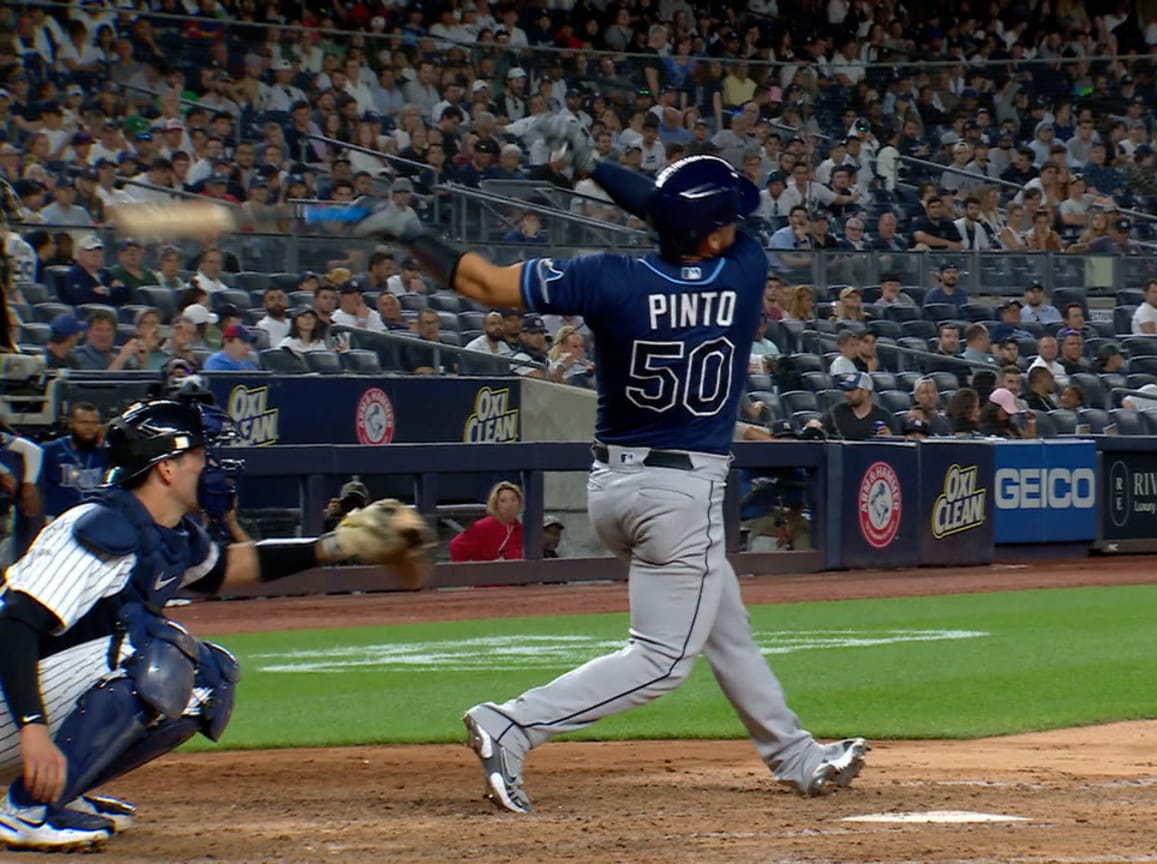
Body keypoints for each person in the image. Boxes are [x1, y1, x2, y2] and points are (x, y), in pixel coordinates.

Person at [362, 131, 867, 811]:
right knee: (660, 661)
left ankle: (798, 758)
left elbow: (480, 281)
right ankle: (511, 722)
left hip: (612, 486)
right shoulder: (745, 272)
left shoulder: (605, 277)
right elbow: (665, 209)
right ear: (710, 232)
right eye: (724, 221)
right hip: (681, 494)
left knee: (725, 623)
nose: (733, 229)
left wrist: (414, 234)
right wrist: (596, 167)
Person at [0, 401, 431, 851]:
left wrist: (335, 545)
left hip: (31, 701)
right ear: (166, 468)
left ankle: (59, 790)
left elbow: (225, 569)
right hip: (11, 702)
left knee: (209, 677)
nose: (211, 467)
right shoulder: (100, 526)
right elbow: (13, 623)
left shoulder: (167, 533)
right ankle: (28, 810)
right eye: (201, 456)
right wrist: (32, 727)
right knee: (161, 653)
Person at [38, 403, 105, 519]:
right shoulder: (50, 450)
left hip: (93, 518)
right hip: (58, 517)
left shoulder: (104, 452)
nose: (90, 428)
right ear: (71, 424)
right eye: (83, 422)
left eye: (94, 423)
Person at [448, 481, 525, 562]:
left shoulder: (521, 530)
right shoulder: (483, 527)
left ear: (519, 503)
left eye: (513, 500)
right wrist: (466, 572)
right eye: (503, 501)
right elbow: (456, 546)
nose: (509, 504)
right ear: (496, 504)